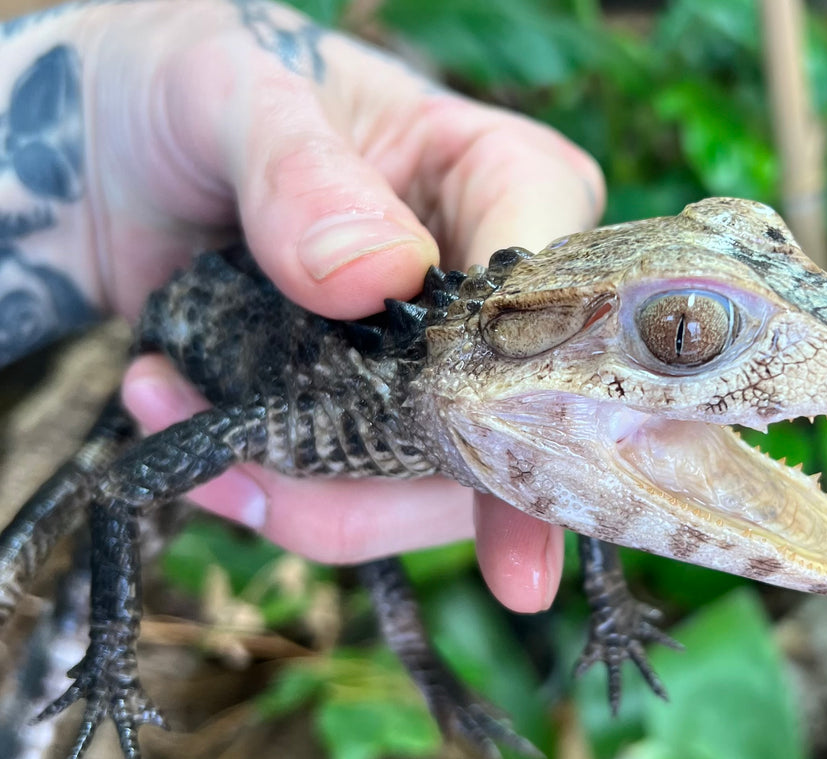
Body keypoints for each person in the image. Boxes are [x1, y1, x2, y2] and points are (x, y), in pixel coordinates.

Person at [0, 0, 605, 613]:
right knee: (93, 476)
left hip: (217, 331)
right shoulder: (347, 377)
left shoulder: (536, 414)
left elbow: (575, 481)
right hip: (232, 330)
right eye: (680, 334)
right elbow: (118, 491)